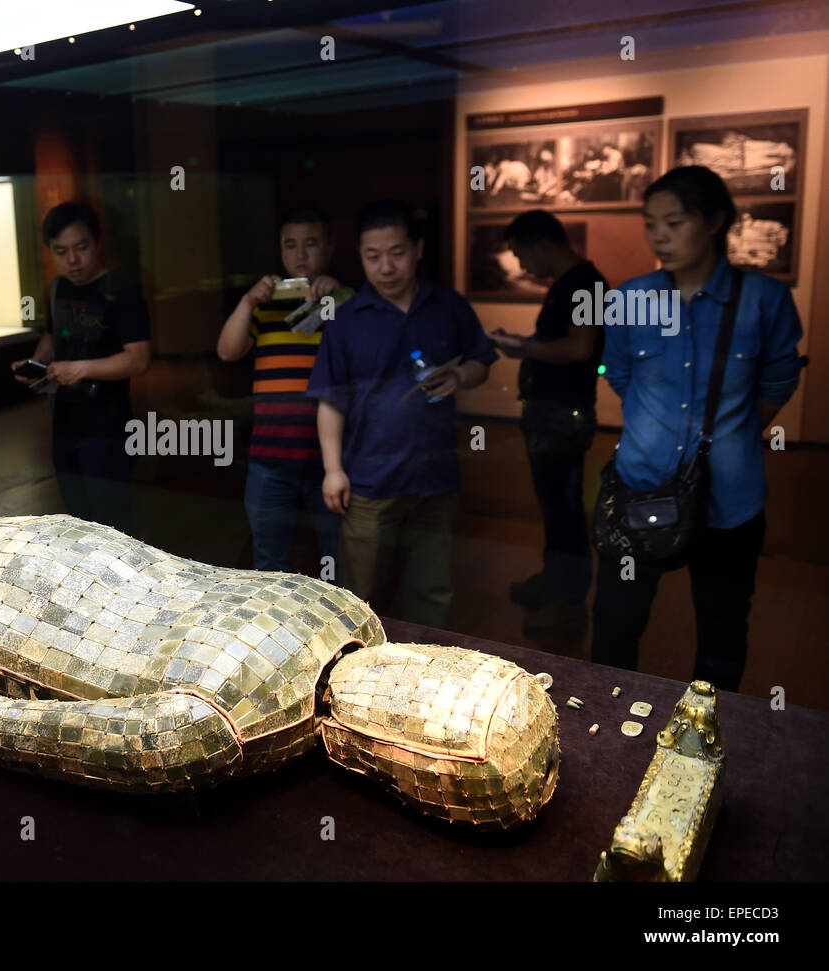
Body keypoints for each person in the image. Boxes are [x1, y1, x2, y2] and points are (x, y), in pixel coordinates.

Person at [592, 165, 803, 691]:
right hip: (640, 487)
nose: (660, 235)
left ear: (714, 221)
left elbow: (778, 381)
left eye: (675, 221)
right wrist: (660, 426)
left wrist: (726, 435)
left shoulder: (763, 299)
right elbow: (618, 373)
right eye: (650, 224)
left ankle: (707, 741)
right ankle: (606, 727)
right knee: (616, 628)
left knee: (723, 637)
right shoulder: (630, 298)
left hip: (729, 499)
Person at [306, 200, 497, 627]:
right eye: (372, 256)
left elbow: (482, 361)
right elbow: (330, 400)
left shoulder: (448, 306)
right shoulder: (348, 319)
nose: (385, 266)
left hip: (436, 475)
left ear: (418, 249)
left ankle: (426, 667)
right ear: (360, 257)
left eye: (397, 253)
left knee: (432, 587)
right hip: (370, 478)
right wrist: (333, 469)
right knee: (360, 592)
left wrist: (461, 375)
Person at [487, 210, 606, 632]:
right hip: (550, 415)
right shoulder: (569, 285)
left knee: (565, 511)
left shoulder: (585, 284)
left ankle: (568, 602)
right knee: (555, 508)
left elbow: (579, 348)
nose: (522, 267)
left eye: (521, 255)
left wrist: (522, 347)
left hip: (562, 417)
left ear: (542, 244)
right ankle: (554, 583)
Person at [216, 206, 351, 573]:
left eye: (311, 243)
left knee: (337, 561)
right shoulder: (265, 305)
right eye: (290, 245)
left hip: (330, 461)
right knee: (270, 562)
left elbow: (365, 351)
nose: (300, 254)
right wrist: (248, 301)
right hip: (269, 457)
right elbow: (228, 351)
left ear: (329, 246)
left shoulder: (344, 301)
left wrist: (337, 296)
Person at [11, 201, 151, 535]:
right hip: (65, 422)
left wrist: (80, 369)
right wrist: (37, 362)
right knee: (77, 520)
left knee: (112, 523)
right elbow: (52, 334)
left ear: (97, 243)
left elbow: (138, 359)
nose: (71, 260)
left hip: (108, 426)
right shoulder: (58, 288)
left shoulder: (122, 291)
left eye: (81, 248)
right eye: (60, 251)